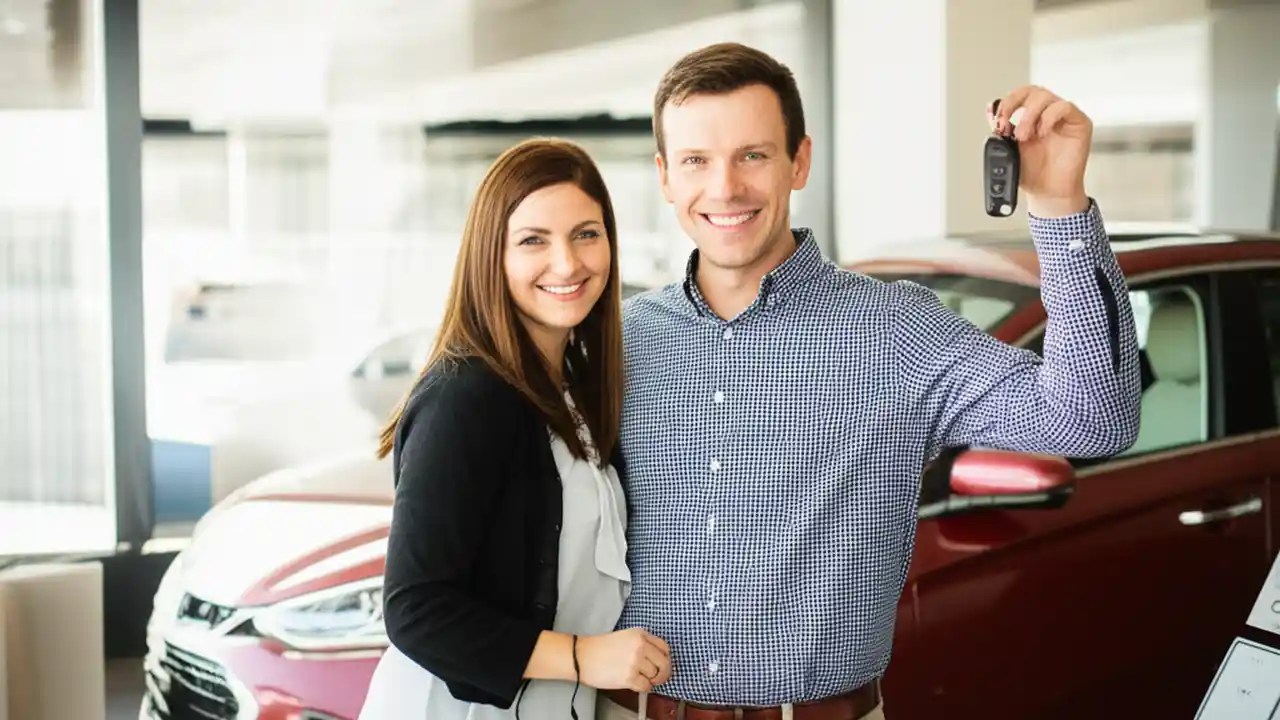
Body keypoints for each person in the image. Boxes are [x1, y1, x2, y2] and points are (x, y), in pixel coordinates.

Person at [598, 43, 1141, 720]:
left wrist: (1059, 205)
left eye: (753, 155)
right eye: (696, 161)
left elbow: (1093, 419)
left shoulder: (896, 331)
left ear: (799, 161)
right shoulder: (614, 341)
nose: (725, 189)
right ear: (665, 177)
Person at [358, 138, 672, 720]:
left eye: (586, 233)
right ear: (491, 256)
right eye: (534, 241)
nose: (568, 263)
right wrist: (583, 658)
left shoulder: (575, 389)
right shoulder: (468, 394)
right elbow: (416, 609)